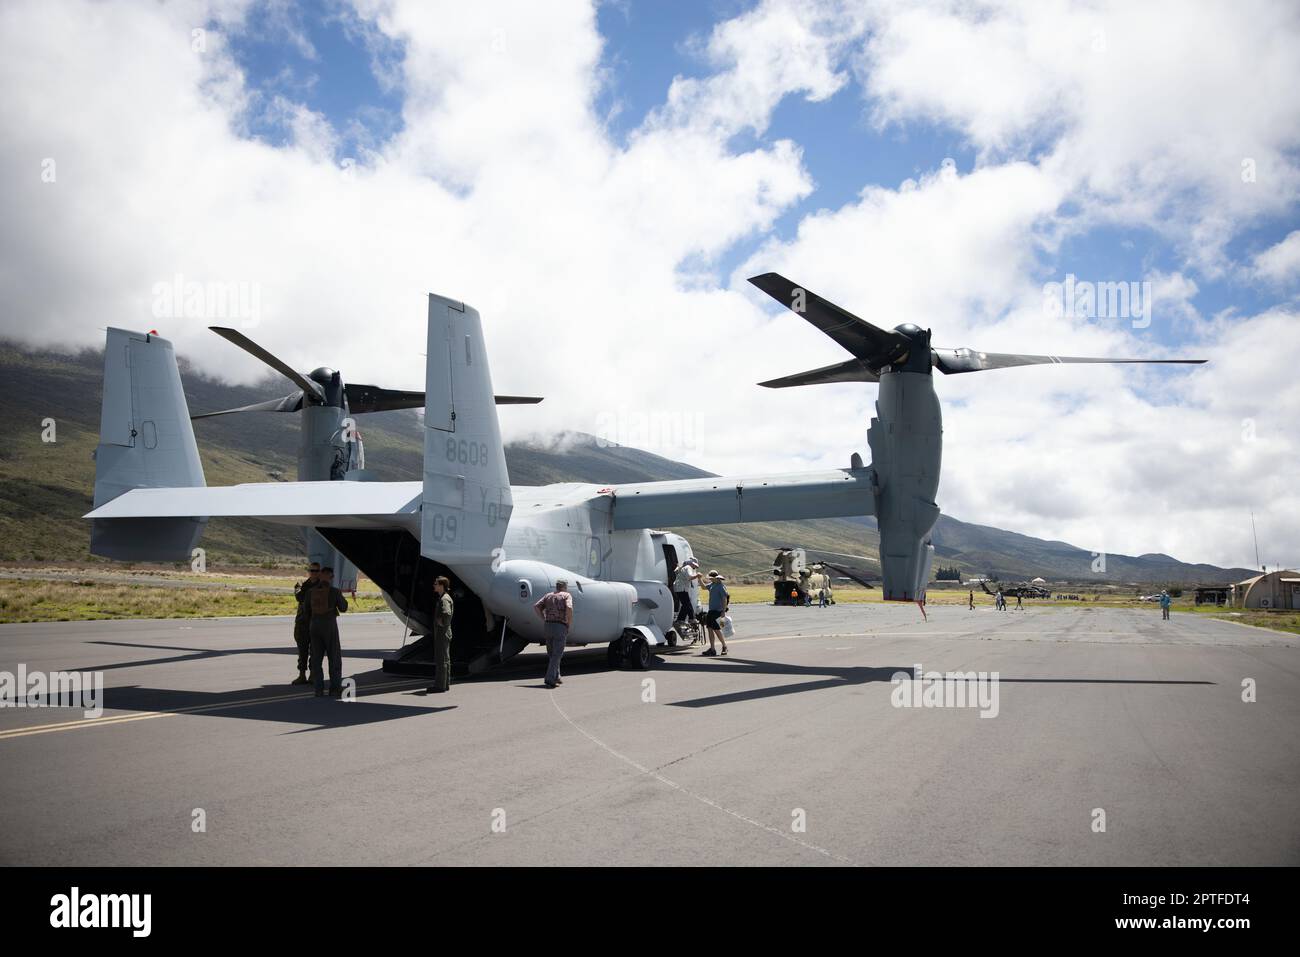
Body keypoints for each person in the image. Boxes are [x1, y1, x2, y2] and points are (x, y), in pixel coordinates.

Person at [308, 566, 348, 698]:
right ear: (331, 577)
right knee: (334, 657)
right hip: (329, 625)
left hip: (314, 625)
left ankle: (318, 689)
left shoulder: (311, 591)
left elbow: (305, 609)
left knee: (316, 658)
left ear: (320, 576)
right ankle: (335, 688)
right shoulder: (334, 591)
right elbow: (343, 607)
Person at [533, 579, 573, 689]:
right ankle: (550, 678)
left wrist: (544, 618)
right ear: (564, 586)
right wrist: (569, 623)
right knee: (557, 655)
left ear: (556, 586)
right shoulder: (566, 595)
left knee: (552, 654)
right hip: (560, 626)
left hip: (548, 626)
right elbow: (569, 608)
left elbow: (536, 606)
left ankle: (557, 676)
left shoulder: (548, 595)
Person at [291, 562, 321, 685]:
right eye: (312, 570)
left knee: (315, 651)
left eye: (316, 571)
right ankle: (301, 674)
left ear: (319, 572)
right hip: (303, 622)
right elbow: (299, 598)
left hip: (316, 622)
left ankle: (313, 675)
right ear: (308, 571)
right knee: (302, 651)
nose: (313, 573)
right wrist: (298, 588)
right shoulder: (302, 585)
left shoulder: (322, 586)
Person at [428, 576, 454, 693]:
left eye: (436, 583)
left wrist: (441, 621)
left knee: (441, 659)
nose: (434, 585)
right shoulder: (444, 597)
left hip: (442, 633)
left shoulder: (444, 599)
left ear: (441, 585)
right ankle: (445, 684)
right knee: (445, 659)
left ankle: (439, 686)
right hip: (445, 632)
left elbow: (447, 613)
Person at [701, 571, 730, 657]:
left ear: (715, 578)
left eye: (711, 578)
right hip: (711, 610)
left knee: (717, 630)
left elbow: (724, 599)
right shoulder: (712, 584)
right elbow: (703, 587)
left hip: (718, 611)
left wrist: (723, 611)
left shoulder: (721, 586)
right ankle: (712, 649)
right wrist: (699, 579)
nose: (709, 579)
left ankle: (724, 646)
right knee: (710, 629)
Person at [672, 559, 701, 626]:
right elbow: (689, 577)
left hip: (680, 588)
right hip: (682, 588)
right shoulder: (688, 567)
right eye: (695, 565)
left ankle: (680, 620)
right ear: (692, 563)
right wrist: (697, 575)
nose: (695, 567)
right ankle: (692, 618)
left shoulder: (684, 568)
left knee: (685, 604)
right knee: (687, 603)